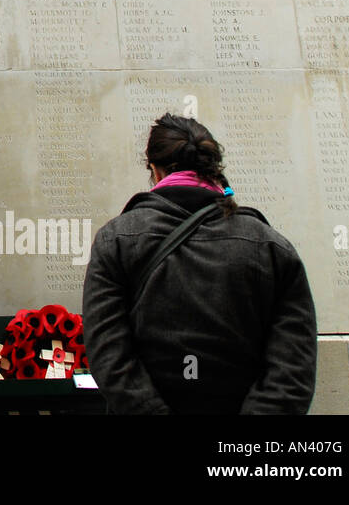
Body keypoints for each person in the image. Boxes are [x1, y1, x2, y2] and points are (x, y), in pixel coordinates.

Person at [82, 112, 316, 414]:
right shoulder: (271, 246)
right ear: (212, 167)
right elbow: (292, 369)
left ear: (154, 169)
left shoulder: (115, 240)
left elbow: (110, 358)